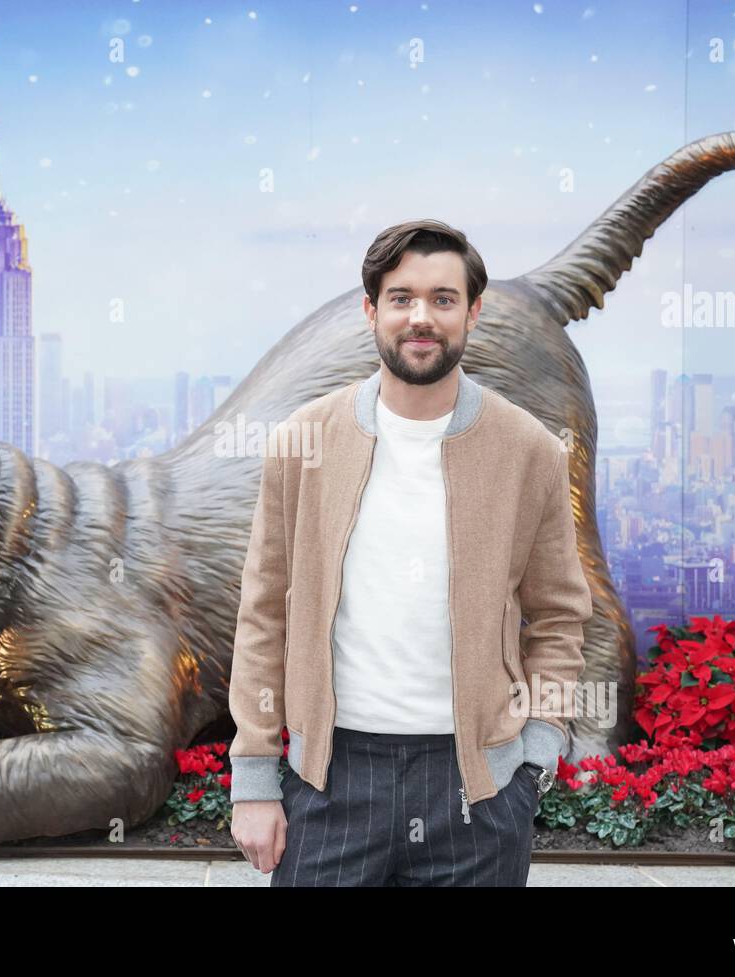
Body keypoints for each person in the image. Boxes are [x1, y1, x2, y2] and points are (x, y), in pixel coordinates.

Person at [227, 218, 592, 886]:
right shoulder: (303, 441)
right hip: (331, 780)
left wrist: (535, 754)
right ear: (371, 311)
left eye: (443, 299)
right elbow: (261, 615)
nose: (421, 317)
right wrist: (254, 776)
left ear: (473, 312)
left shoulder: (529, 449)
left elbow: (561, 615)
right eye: (401, 297)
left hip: (478, 789)